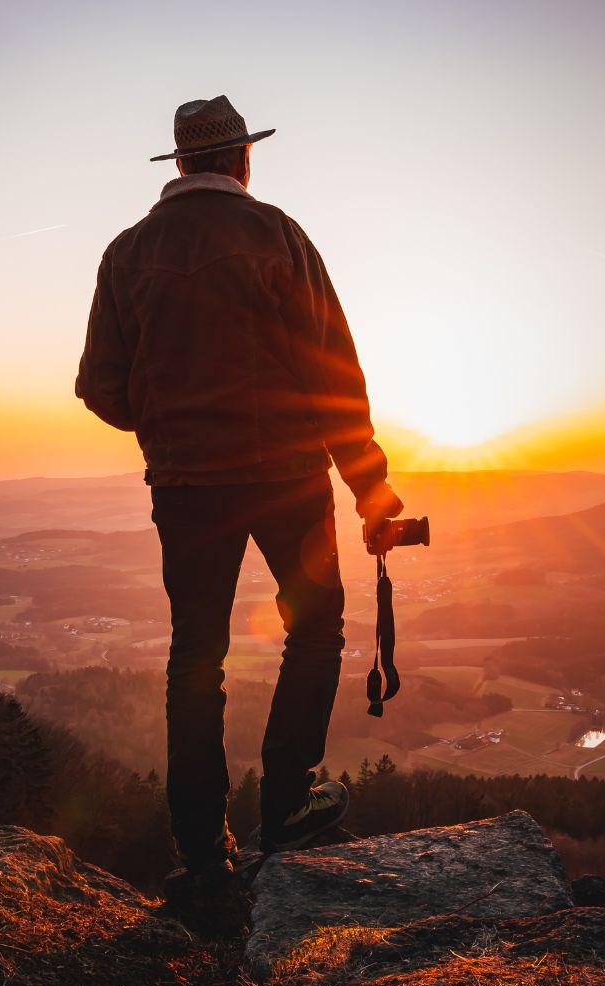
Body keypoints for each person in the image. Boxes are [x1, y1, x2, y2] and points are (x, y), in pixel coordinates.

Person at [75, 95, 404, 893]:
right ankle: (288, 804)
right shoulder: (278, 235)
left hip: (186, 486)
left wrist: (168, 429)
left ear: (183, 165)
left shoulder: (126, 254)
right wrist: (369, 487)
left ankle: (197, 840)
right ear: (242, 161)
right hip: (288, 474)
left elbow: (98, 387)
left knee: (196, 656)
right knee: (315, 629)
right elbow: (334, 373)